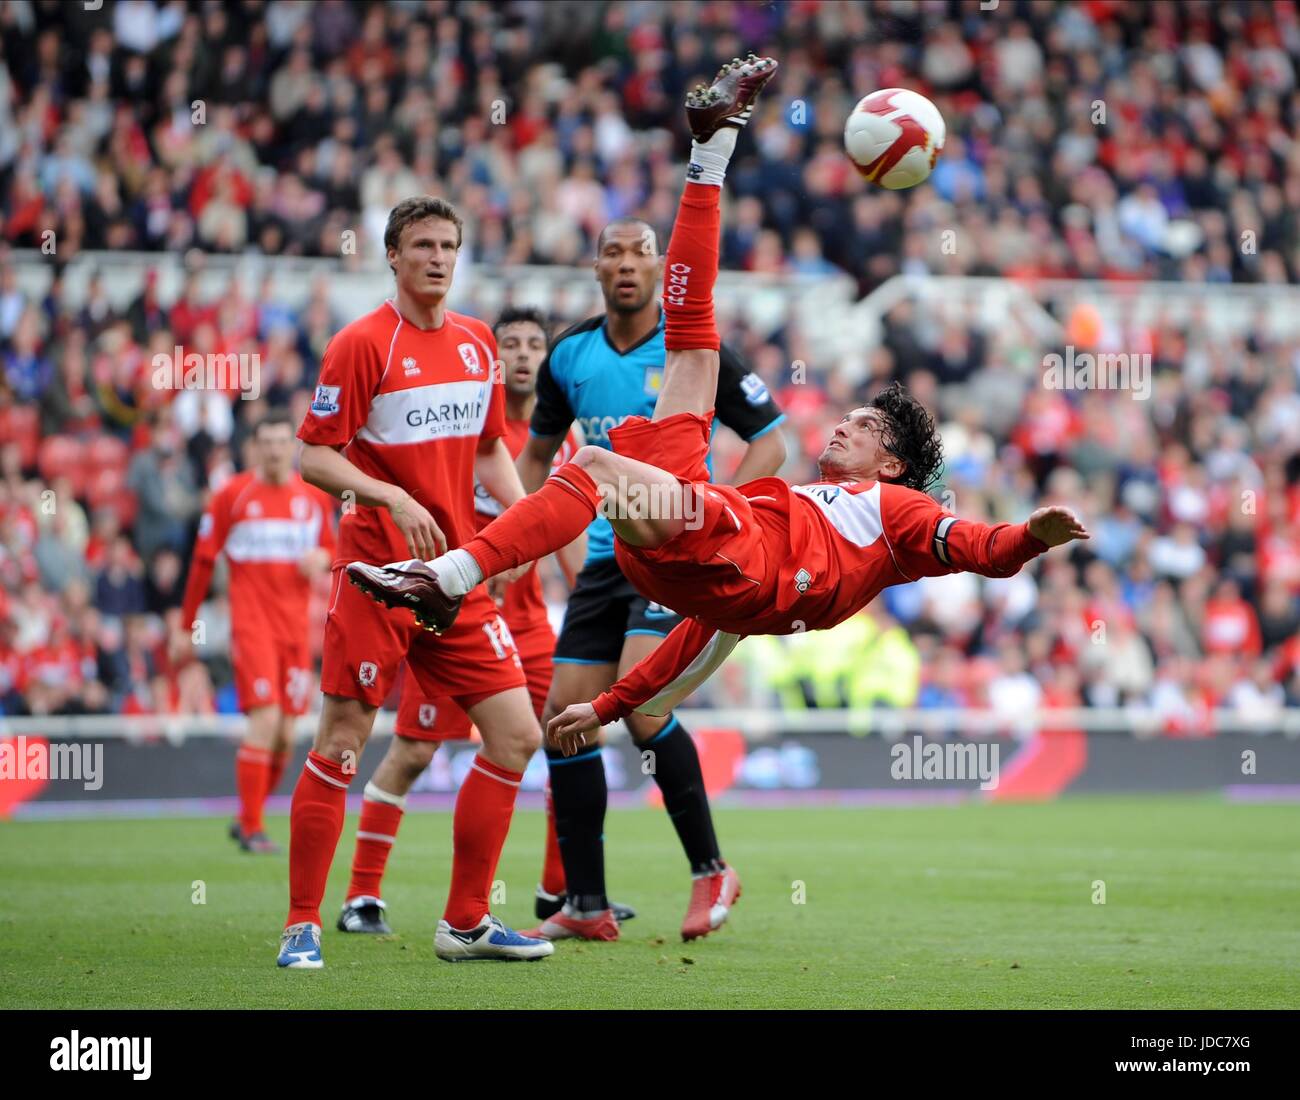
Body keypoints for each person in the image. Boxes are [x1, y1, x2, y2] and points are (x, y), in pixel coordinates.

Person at [349, 55, 1089, 929]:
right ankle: (711, 152)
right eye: (848, 416)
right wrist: (617, 705)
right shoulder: (811, 503)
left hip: (716, 543)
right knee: (695, 342)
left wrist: (1034, 537)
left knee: (588, 467)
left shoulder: (898, 518)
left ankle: (450, 579)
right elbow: (699, 646)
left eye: (863, 428)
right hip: (700, 538)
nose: (842, 427)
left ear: (891, 466)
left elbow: (979, 550)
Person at [277, 195, 553, 969]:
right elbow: (314, 455)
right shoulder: (361, 344)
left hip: (453, 577)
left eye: (449, 245)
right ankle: (303, 922)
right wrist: (389, 494)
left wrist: (526, 519)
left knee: (516, 734)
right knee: (342, 742)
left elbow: (490, 448)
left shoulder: (476, 345)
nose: (437, 257)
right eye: (423, 245)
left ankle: (466, 923)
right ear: (392, 256)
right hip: (377, 573)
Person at [496, 212, 785, 943]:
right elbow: (534, 463)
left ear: (660, 268)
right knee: (565, 719)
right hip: (601, 560)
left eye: (641, 253)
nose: (627, 264)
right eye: (612, 253)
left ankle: (710, 868)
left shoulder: (695, 352)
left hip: (674, 560)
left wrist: (728, 514)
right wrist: (508, 544)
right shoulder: (570, 356)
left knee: (644, 708)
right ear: (595, 269)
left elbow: (772, 445)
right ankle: (587, 903)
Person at [335, 306, 617, 935]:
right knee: (411, 751)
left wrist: (588, 611)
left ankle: (561, 893)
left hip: (529, 627)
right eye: (509, 344)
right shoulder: (461, 436)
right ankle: (362, 894)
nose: (521, 355)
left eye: (534, 345)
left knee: (569, 734)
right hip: (455, 614)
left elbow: (569, 541)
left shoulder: (560, 446)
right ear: (490, 361)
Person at [172, 410, 334, 853]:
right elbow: (203, 561)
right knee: (264, 720)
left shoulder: (313, 501)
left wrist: (322, 558)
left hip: (295, 633)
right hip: (252, 627)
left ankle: (248, 815)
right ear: (255, 447)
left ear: (293, 447)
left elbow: (333, 550)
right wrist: (185, 627)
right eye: (268, 441)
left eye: (284, 441)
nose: (276, 449)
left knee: (286, 733)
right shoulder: (232, 496)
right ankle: (252, 827)